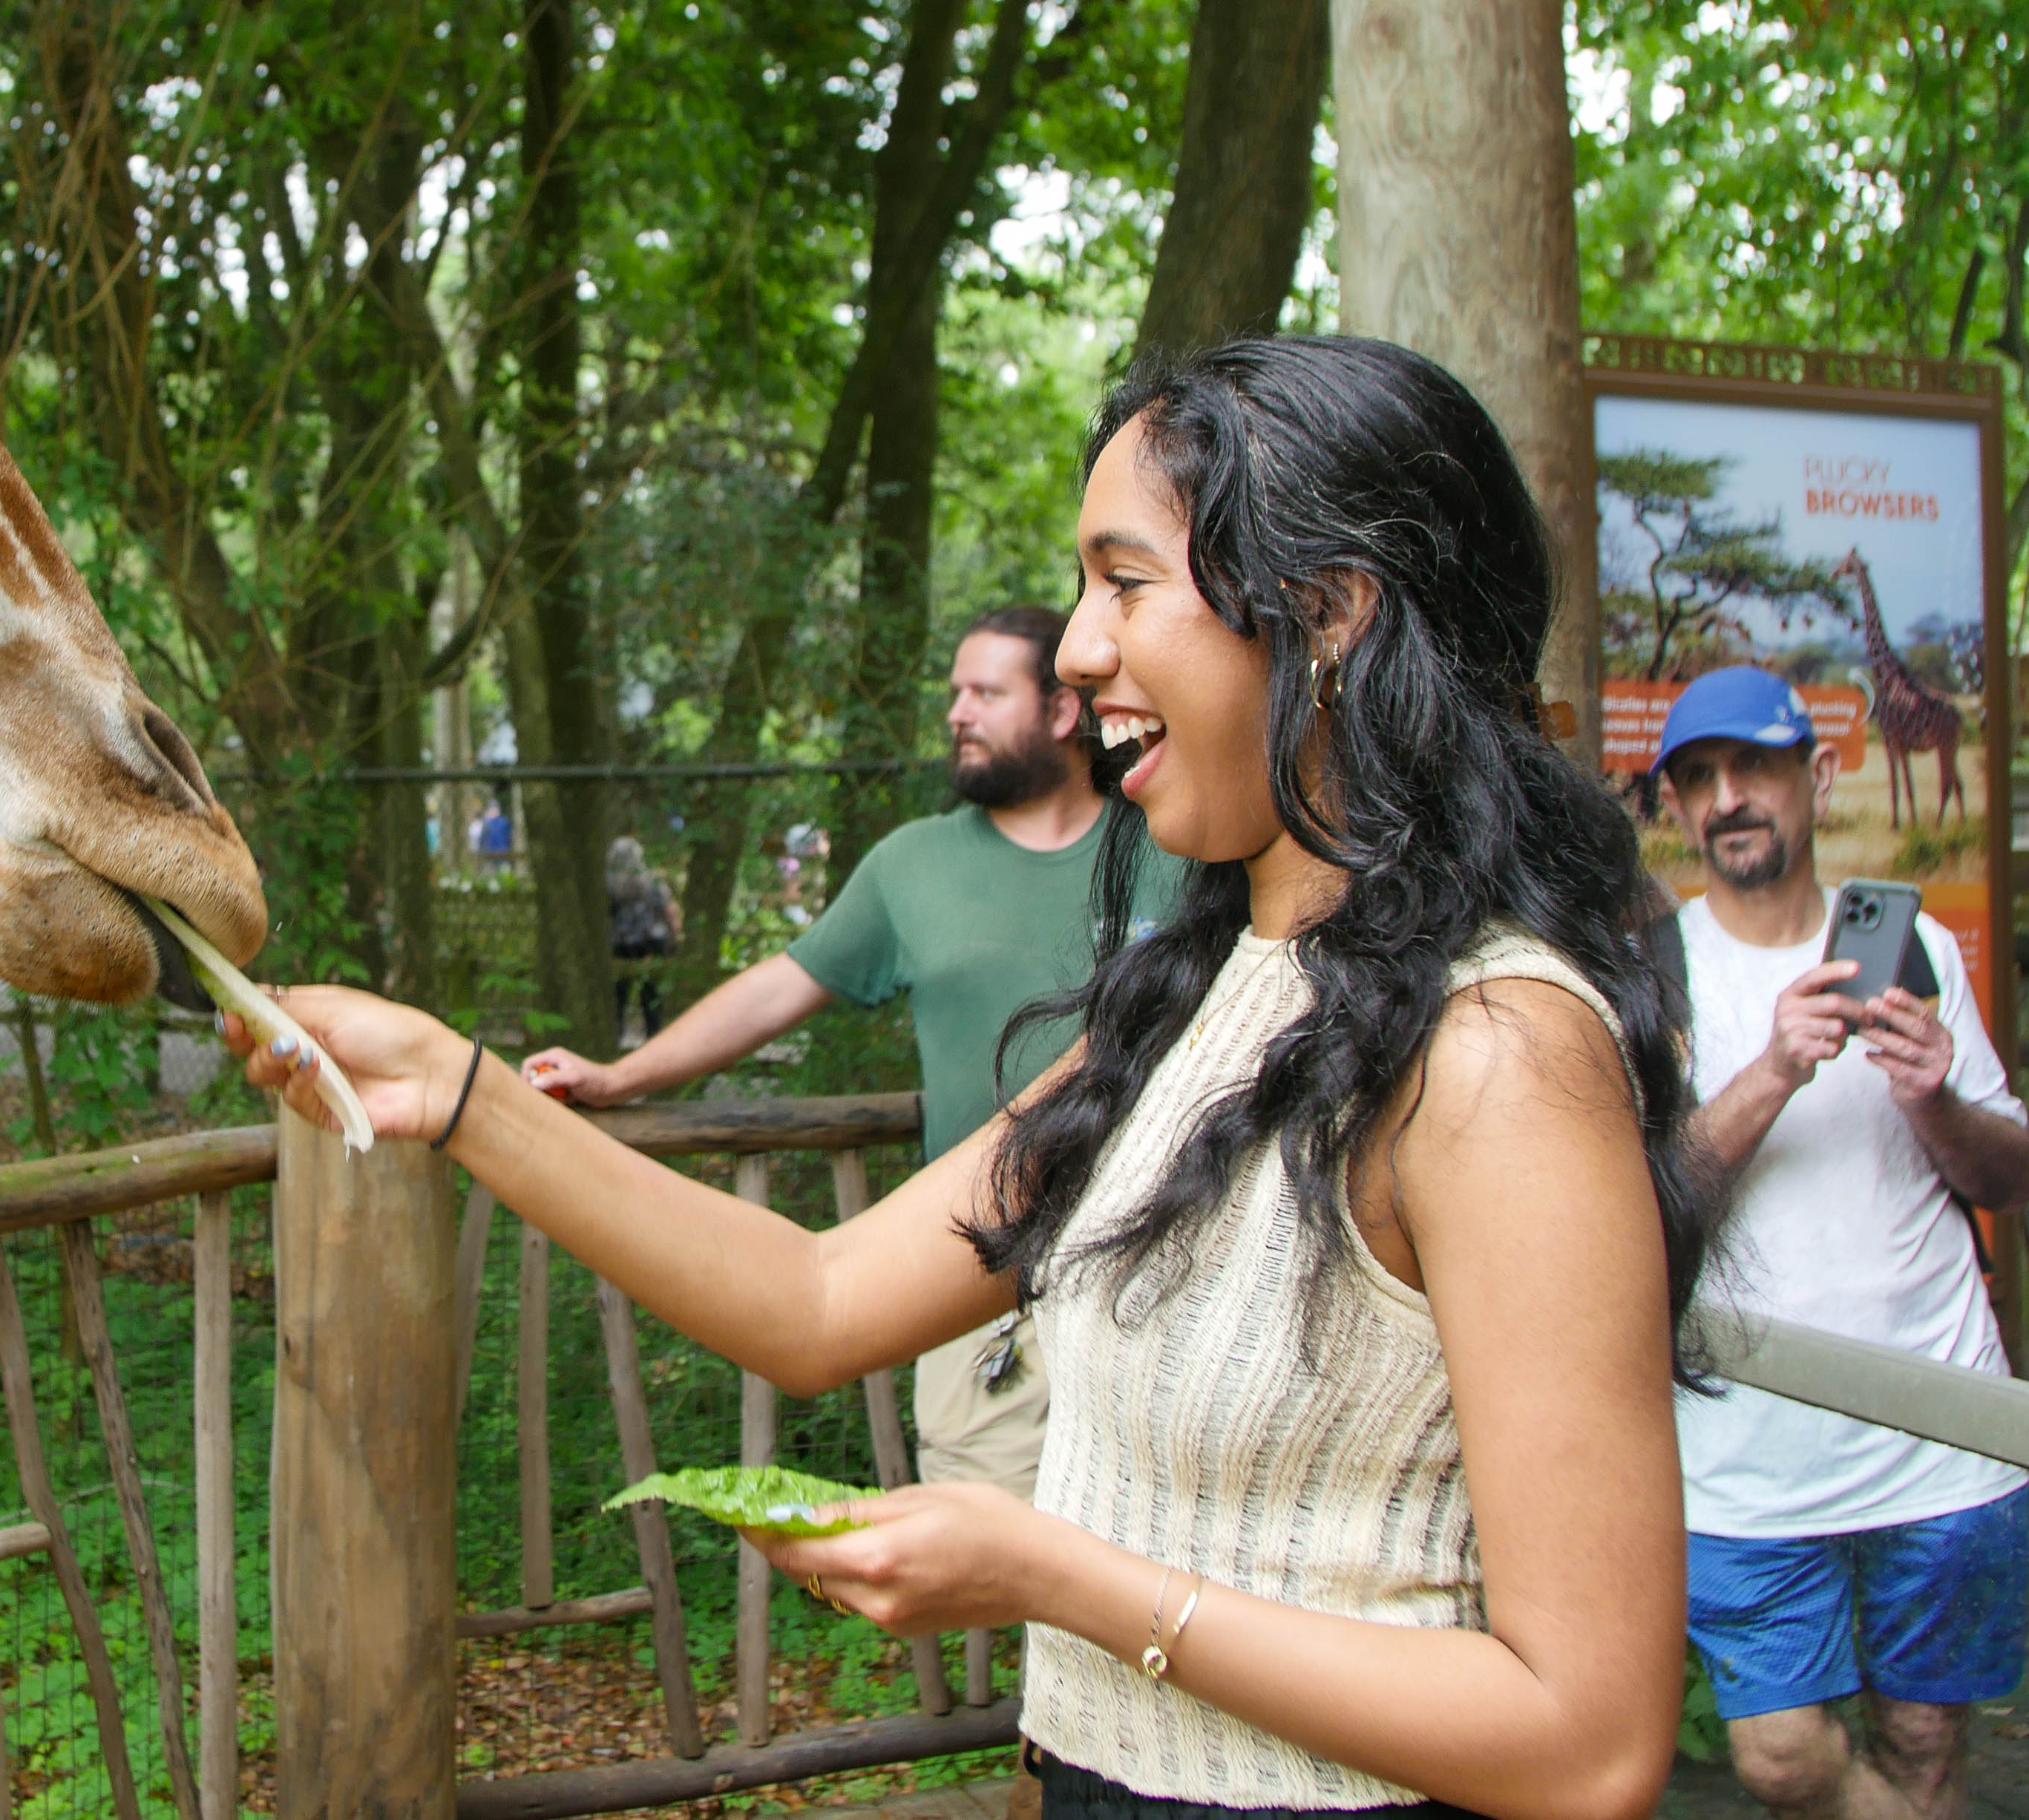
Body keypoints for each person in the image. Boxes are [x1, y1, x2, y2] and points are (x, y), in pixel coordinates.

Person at [226, 335, 1708, 1820]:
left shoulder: (1495, 1053)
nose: (1072, 650)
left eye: (1122, 582)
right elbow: (814, 1303)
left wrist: (1055, 1573)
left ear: (1324, 614)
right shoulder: (1186, 1000)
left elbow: (1583, 1737)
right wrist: (462, 1089)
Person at [528, 608, 1187, 1529]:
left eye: (985, 693)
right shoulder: (909, 866)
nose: (957, 712)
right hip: (981, 1276)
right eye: (954, 692)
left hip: (1159, 1267)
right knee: (988, 1552)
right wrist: (621, 1076)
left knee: (1152, 1550)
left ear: (1061, 712)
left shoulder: (1169, 843)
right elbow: (776, 989)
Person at [1650, 667, 2029, 1820]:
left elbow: (2011, 1178)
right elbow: (1651, 1205)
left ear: (1817, 778)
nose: (1729, 798)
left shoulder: (1915, 956)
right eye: (1699, 779)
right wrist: (1771, 1069)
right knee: (1782, 1760)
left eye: (1754, 766)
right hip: (1744, 1460)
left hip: (1939, 1435)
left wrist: (1934, 1099)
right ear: (1674, 810)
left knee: (1925, 1753)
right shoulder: (1653, 976)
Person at [604, 834, 683, 1044]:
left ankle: (616, 1038)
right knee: (651, 995)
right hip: (653, 943)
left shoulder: (608, 884)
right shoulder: (653, 880)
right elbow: (669, 910)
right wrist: (674, 938)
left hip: (621, 944)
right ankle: (654, 1038)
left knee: (619, 995)